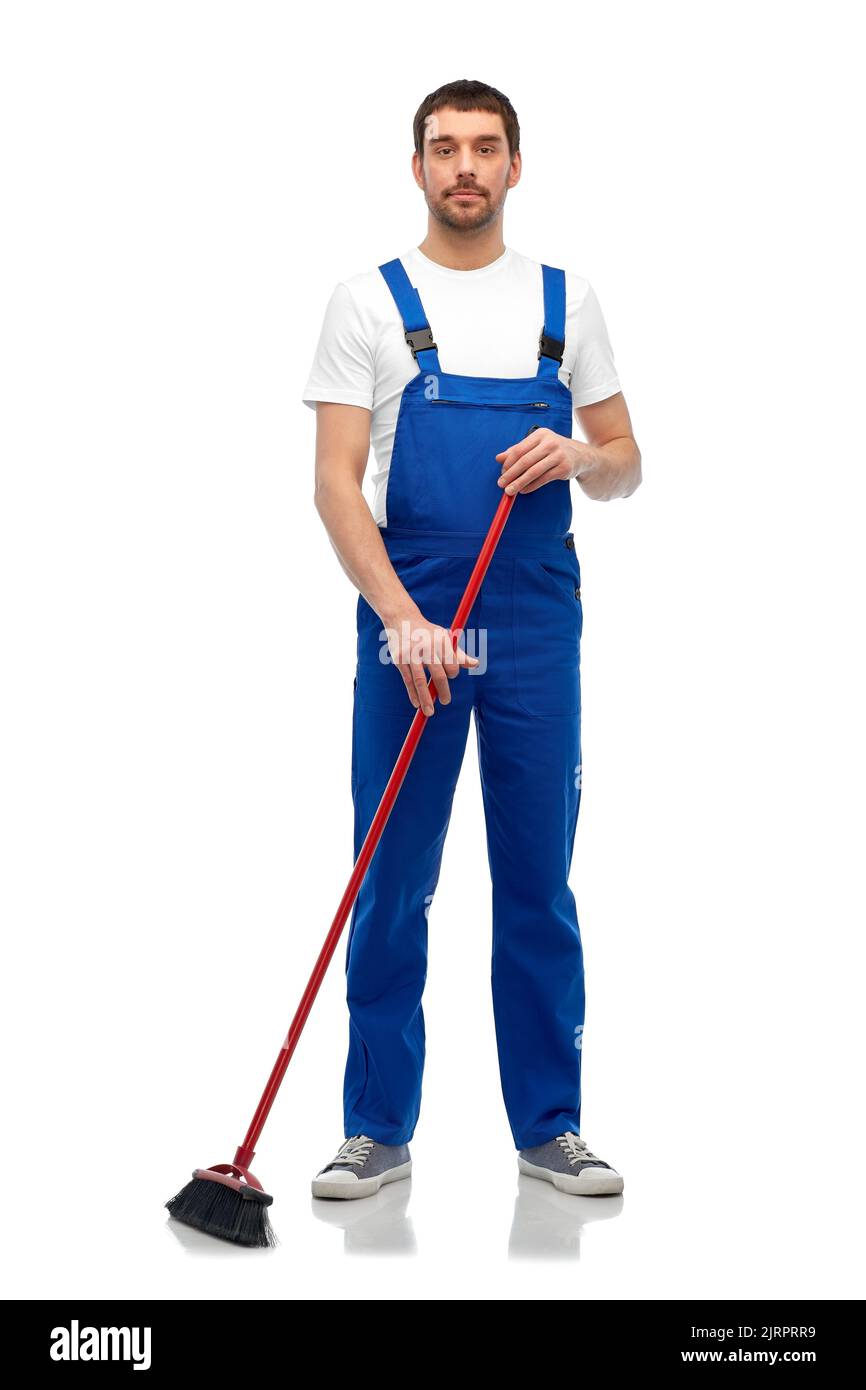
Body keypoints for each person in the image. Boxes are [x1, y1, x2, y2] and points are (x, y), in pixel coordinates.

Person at [301, 79, 641, 1201]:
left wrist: (579, 458)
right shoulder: (365, 303)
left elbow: (626, 461)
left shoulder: (566, 301)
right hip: (412, 626)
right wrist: (401, 621)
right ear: (417, 169)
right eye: (442, 148)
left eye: (483, 148)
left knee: (535, 883)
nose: (463, 166)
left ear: (512, 166)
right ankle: (373, 1127)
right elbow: (335, 485)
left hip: (537, 632)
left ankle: (550, 1126)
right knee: (391, 881)